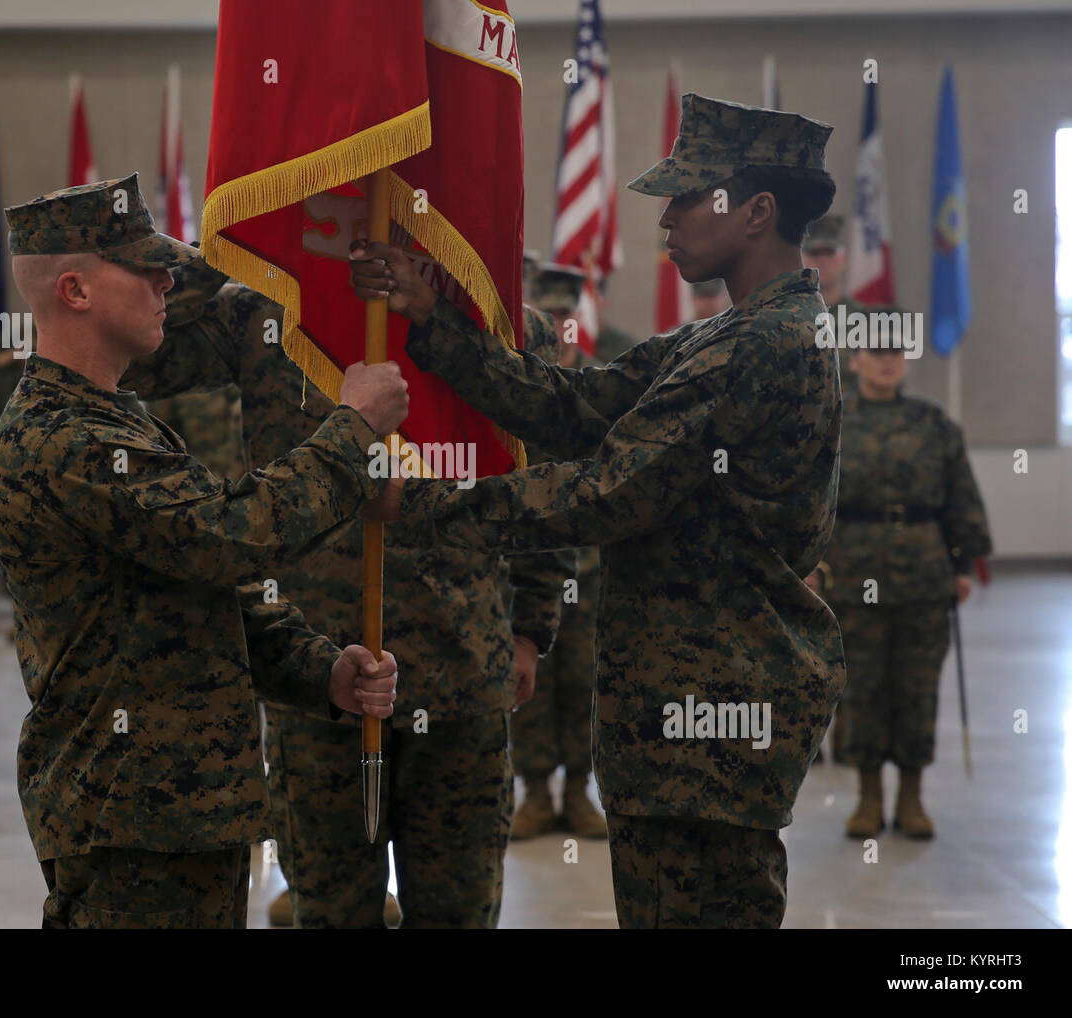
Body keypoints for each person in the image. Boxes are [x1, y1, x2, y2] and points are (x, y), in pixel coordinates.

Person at [350, 94, 845, 929]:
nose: (668, 220)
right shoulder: (724, 334)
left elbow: (607, 489)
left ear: (757, 212)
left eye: (690, 198)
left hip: (711, 713)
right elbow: (573, 407)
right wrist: (432, 320)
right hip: (691, 705)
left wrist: (425, 503)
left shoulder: (760, 345)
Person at [0, 173, 403, 929]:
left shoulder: (119, 419)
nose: (166, 281)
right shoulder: (65, 438)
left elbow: (203, 593)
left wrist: (323, 673)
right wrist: (352, 430)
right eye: (143, 269)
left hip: (185, 811)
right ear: (75, 291)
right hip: (129, 818)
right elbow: (233, 536)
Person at [120, 245, 570, 929]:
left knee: (459, 909)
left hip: (460, 662)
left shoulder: (490, 322)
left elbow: (542, 471)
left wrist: (533, 627)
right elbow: (139, 360)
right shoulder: (265, 313)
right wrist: (220, 249)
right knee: (330, 911)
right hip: (315, 667)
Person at [809, 333, 991, 840]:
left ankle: (912, 799)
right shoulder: (832, 421)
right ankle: (869, 799)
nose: (887, 363)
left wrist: (962, 563)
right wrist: (814, 564)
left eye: (895, 354)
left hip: (924, 572)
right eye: (876, 354)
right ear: (857, 359)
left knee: (916, 688)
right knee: (863, 687)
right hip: (854, 569)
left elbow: (961, 497)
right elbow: (814, 500)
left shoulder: (934, 424)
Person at [509, 263, 607, 840]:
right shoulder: (514, 388)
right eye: (552, 317)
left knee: (583, 680)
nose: (563, 327)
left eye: (569, 316)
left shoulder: (599, 390)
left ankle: (578, 791)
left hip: (590, 566)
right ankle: (536, 792)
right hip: (523, 566)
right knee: (531, 678)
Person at [801, 213, 861, 395]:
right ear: (802, 258)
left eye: (829, 253)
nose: (823, 260)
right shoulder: (785, 318)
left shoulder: (866, 321)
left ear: (842, 259)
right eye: (815, 253)